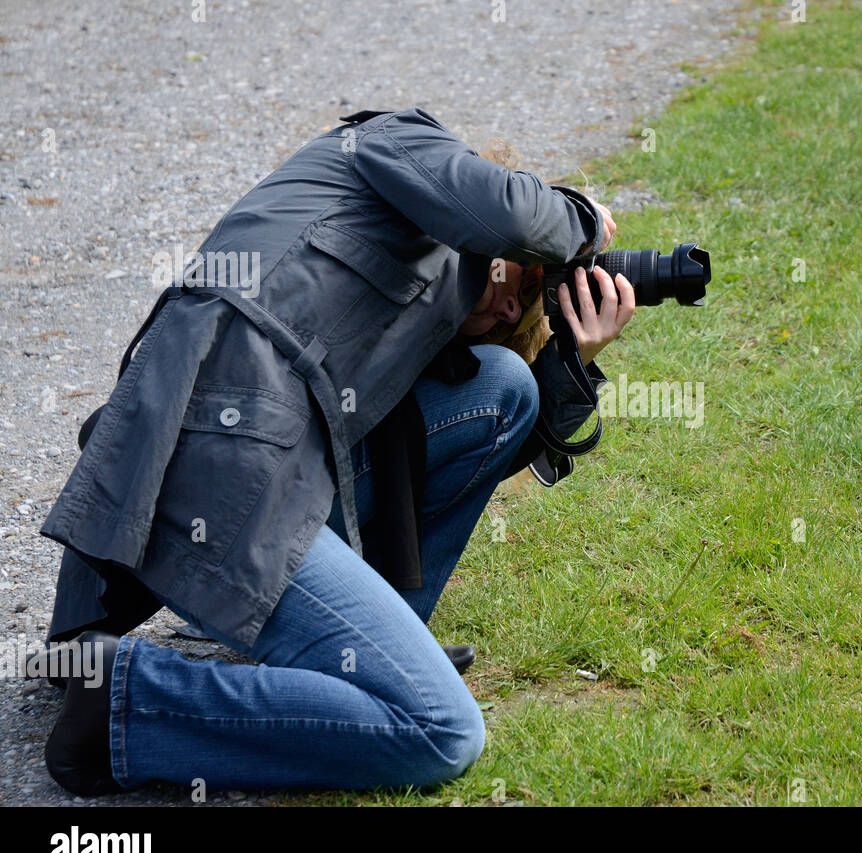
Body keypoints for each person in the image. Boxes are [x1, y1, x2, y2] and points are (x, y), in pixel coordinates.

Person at [37, 108, 635, 795]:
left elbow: (498, 427)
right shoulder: (395, 144)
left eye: (524, 314)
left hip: (272, 467)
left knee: (503, 386)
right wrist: (583, 217)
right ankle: (130, 700)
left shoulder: (417, 316)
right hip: (218, 457)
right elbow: (511, 213)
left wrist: (572, 356)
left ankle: (368, 657)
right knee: (442, 731)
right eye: (525, 286)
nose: (509, 311)